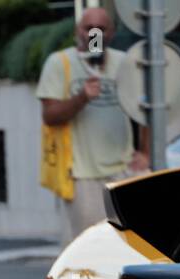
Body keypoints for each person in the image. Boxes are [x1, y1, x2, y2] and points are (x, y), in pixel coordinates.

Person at [36, 6, 148, 244]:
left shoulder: (124, 63)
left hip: (123, 171)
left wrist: (145, 153)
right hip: (82, 175)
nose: (94, 34)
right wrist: (82, 97)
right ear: (78, 30)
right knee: (88, 248)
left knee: (129, 245)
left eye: (101, 29)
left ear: (112, 33)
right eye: (89, 28)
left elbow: (144, 110)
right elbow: (49, 115)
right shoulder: (60, 63)